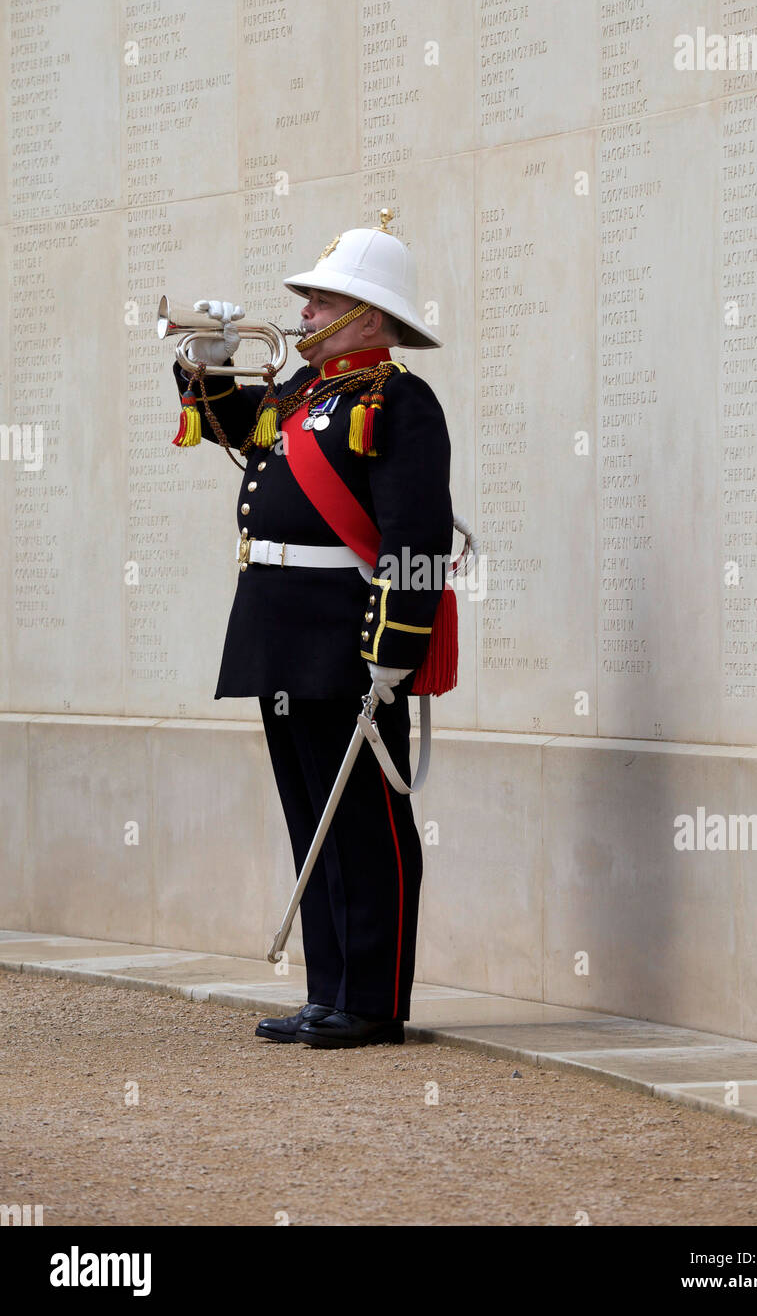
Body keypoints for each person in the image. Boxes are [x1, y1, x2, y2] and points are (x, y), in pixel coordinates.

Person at [170, 213, 454, 1048]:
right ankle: (328, 989)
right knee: (313, 820)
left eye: (320, 300)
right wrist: (209, 357)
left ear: (369, 316)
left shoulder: (399, 400)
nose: (300, 313)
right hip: (278, 632)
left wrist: (393, 652)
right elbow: (229, 424)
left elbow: (416, 540)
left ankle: (372, 1000)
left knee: (364, 822)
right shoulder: (302, 394)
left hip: (348, 638)